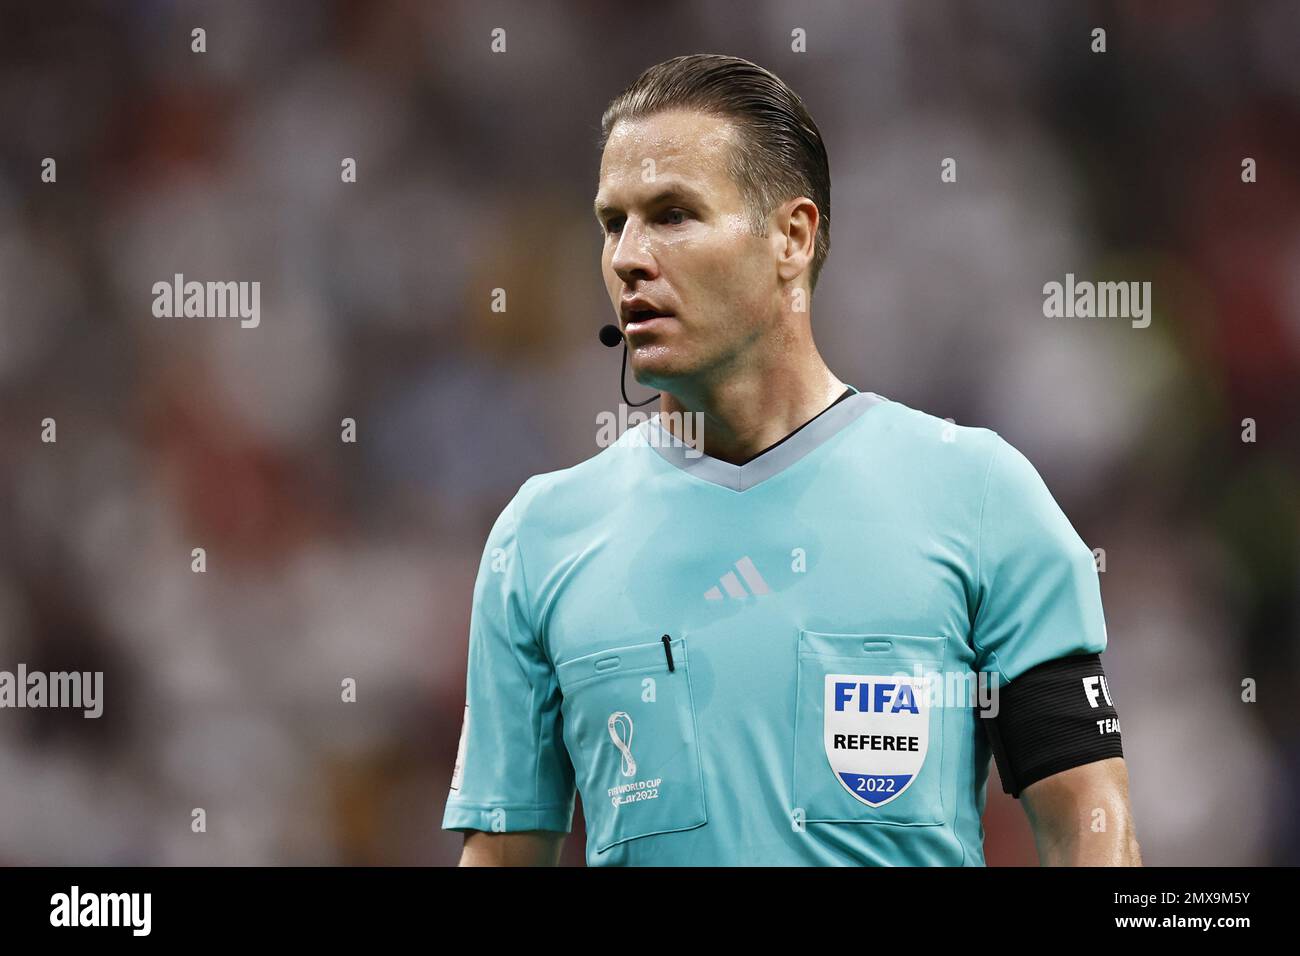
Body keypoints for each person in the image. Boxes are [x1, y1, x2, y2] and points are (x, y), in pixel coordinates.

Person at [442, 53, 1141, 866]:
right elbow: (500, 857)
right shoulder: (539, 538)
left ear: (792, 238)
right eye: (612, 222)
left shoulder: (980, 495)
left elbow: (1088, 820)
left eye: (672, 214)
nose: (629, 256)